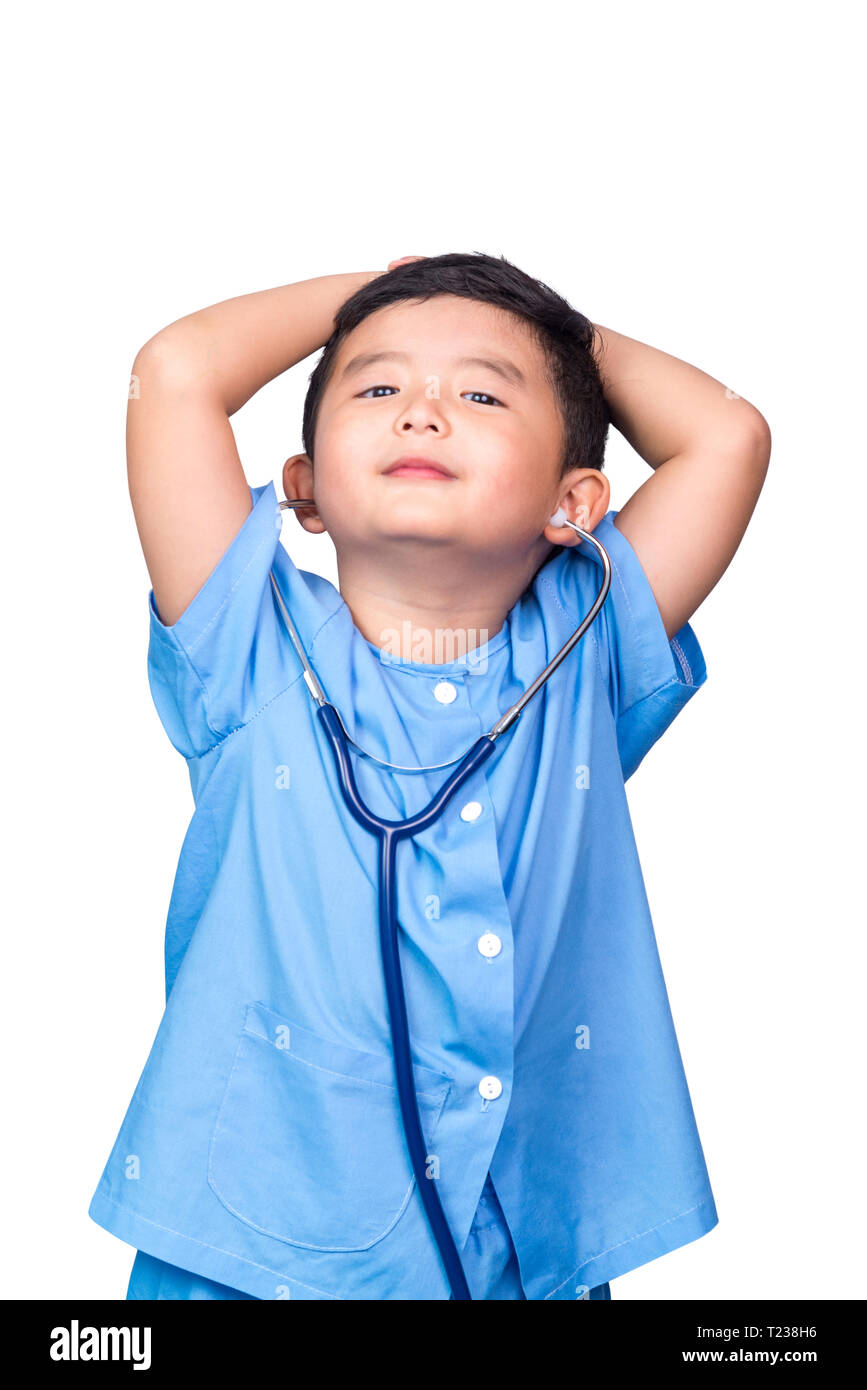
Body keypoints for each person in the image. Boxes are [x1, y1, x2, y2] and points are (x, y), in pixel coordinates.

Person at [90, 252, 771, 1301]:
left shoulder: (578, 655)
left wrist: (540, 320)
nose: (422, 411)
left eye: (483, 392)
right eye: (376, 386)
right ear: (303, 487)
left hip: (514, 1256)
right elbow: (175, 371)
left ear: (575, 501)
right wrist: (389, 283)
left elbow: (728, 437)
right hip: (257, 1261)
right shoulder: (250, 650)